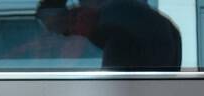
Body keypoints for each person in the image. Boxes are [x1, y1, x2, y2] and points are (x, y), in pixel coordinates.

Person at [36, 0, 182, 70]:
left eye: (74, 16)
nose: (77, 9)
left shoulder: (115, 31)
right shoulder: (160, 25)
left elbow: (111, 84)